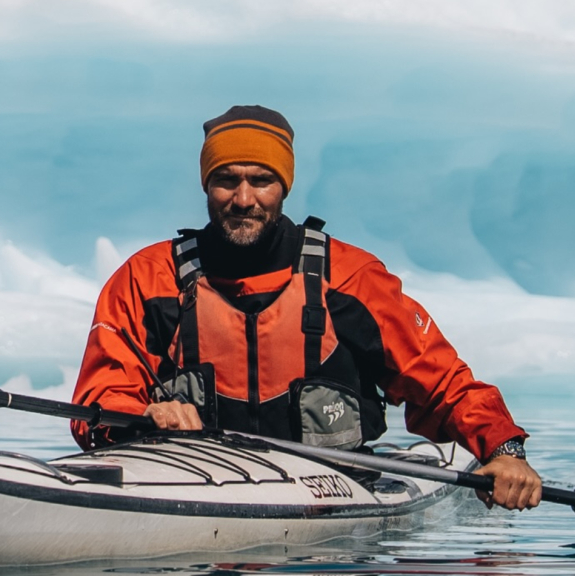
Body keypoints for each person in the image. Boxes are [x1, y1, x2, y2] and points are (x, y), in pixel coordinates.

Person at [70, 106, 542, 511]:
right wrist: (142, 417)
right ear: (205, 186)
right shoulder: (147, 279)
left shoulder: (350, 277)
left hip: (336, 498)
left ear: (285, 186)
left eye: (261, 181)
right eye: (225, 181)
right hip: (191, 481)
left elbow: (441, 383)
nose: (243, 199)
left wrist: (505, 450)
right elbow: (98, 402)